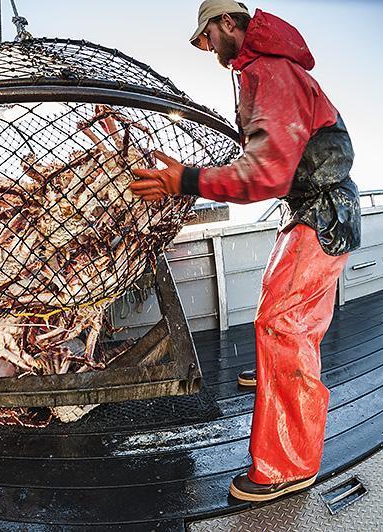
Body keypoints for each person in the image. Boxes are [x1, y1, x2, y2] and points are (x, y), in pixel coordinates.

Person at [129, 1, 360, 502]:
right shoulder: (264, 67)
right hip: (316, 209)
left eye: (208, 36)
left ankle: (288, 465)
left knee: (282, 326)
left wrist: (183, 180)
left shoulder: (270, 72)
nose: (207, 46)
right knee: (288, 319)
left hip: (320, 210)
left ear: (228, 23)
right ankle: (279, 374)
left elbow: (265, 173)